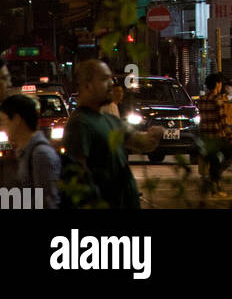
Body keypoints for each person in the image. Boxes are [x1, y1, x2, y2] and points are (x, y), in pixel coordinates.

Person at [62, 59, 164, 209]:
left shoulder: (111, 120)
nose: (111, 84)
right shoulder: (80, 124)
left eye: (110, 78)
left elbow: (141, 143)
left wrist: (154, 135)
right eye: (104, 79)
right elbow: (77, 180)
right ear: (87, 85)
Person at [0, 92, 62, 208]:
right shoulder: (24, 151)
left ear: (17, 120)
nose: (2, 127)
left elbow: (47, 202)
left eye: (4, 121)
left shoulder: (40, 154)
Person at [198, 72, 232, 196]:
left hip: (205, 136)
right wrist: (230, 136)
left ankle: (215, 186)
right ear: (217, 84)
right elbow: (222, 121)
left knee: (214, 161)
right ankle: (214, 179)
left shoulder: (201, 100)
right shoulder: (217, 100)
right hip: (217, 136)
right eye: (220, 84)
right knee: (229, 157)